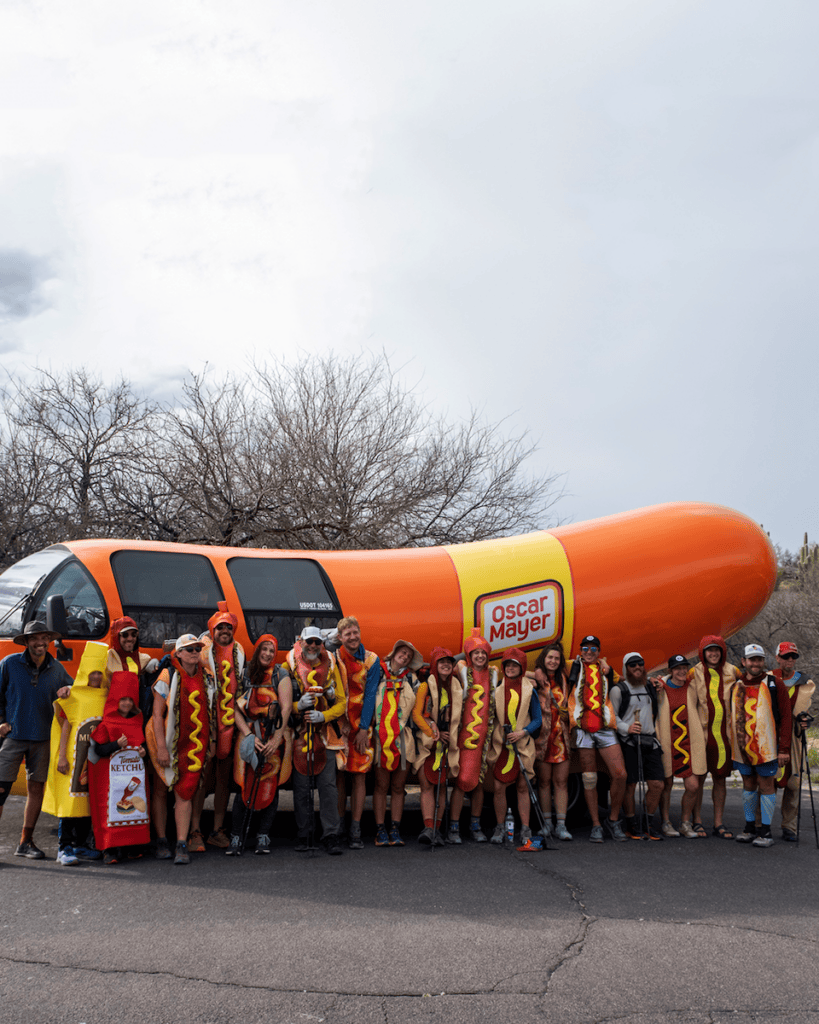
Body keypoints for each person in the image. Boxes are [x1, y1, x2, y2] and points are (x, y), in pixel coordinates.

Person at [0, 620, 73, 859]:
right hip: (13, 736)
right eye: (34, 638)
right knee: (1, 790)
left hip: (43, 739)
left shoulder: (57, 669)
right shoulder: (9, 663)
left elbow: (75, 692)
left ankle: (25, 842)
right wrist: (1, 721)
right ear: (26, 642)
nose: (40, 643)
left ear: (49, 641)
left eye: (44, 638)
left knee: (36, 789)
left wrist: (69, 691)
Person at [146, 634, 217, 865]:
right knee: (160, 789)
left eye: (197, 648)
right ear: (178, 653)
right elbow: (157, 715)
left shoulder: (207, 676)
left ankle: (181, 843)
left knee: (185, 792)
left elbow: (211, 713)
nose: (194, 652)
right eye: (189, 649)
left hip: (194, 744)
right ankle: (161, 840)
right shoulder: (167, 675)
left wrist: (212, 741)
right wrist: (162, 748)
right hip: (165, 740)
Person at [43, 641, 110, 864]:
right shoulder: (73, 696)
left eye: (99, 673)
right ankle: (64, 848)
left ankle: (81, 845)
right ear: (84, 672)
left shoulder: (106, 696)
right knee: (70, 802)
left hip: (95, 761)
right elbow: (65, 726)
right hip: (73, 760)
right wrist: (62, 756)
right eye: (92, 673)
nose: (96, 677)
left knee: (87, 803)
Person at [226, 634, 292, 856]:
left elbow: (286, 708)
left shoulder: (280, 674)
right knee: (244, 785)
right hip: (250, 736)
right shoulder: (245, 674)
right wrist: (248, 735)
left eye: (272, 650)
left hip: (273, 737)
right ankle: (236, 835)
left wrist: (276, 738)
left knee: (270, 785)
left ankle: (263, 834)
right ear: (257, 650)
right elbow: (235, 708)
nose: (268, 654)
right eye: (264, 649)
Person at [188, 603, 246, 852]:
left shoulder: (239, 652)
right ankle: (194, 831)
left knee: (224, 779)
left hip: (230, 724)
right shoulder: (202, 652)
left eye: (228, 627)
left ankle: (217, 830)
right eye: (220, 627)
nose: (224, 631)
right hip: (205, 725)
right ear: (213, 631)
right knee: (201, 779)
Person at [285, 627, 347, 854]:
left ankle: (331, 834)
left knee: (328, 788)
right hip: (300, 734)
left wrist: (324, 715)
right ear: (300, 641)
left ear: (322, 644)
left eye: (317, 642)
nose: (312, 646)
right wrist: (297, 706)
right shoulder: (288, 666)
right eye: (309, 641)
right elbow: (282, 703)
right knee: (301, 788)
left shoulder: (331, 666)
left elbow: (342, 702)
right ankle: (305, 833)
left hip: (325, 734)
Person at [567, 634, 628, 842]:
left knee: (620, 774)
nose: (589, 652)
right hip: (582, 729)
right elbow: (548, 665)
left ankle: (613, 819)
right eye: (585, 649)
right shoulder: (572, 665)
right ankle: (596, 824)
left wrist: (655, 682)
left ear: (599, 652)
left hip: (604, 728)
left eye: (593, 649)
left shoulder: (606, 669)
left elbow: (626, 681)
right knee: (589, 778)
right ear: (580, 651)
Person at [731, 644, 792, 847]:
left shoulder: (775, 684)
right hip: (743, 747)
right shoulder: (737, 684)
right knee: (748, 784)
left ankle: (766, 832)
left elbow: (786, 717)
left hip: (767, 747)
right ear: (744, 661)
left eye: (759, 659)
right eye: (752, 659)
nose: (755, 663)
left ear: (763, 661)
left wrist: (784, 749)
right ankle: (750, 828)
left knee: (766, 785)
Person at [88, 672, 151, 864]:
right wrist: (116, 745)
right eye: (123, 699)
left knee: (134, 810)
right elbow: (99, 750)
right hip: (110, 780)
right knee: (110, 813)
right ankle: (110, 849)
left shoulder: (138, 722)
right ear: (115, 700)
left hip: (132, 777)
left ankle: (132, 846)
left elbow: (144, 745)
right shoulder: (106, 724)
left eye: (130, 700)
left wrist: (143, 751)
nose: (127, 703)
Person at [488, 647, 542, 846]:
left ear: (522, 668)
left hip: (523, 745)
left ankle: (526, 829)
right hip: (502, 746)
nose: (510, 668)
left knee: (522, 786)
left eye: (515, 665)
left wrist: (523, 732)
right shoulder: (497, 690)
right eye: (507, 665)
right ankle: (500, 827)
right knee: (498, 786)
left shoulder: (530, 690)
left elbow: (537, 719)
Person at [334, 616, 380, 849]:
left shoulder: (372, 660)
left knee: (359, 776)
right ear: (340, 637)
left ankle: (355, 828)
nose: (352, 637)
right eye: (347, 634)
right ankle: (338, 826)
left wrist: (363, 729)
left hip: (361, 726)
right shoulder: (334, 657)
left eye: (355, 632)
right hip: (340, 726)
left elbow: (371, 695)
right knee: (340, 775)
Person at [371, 640, 421, 846]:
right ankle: (380, 830)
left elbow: (420, 709)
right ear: (393, 653)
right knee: (381, 785)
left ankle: (395, 829)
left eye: (409, 655)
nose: (405, 656)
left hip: (403, 738)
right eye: (403, 652)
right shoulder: (377, 672)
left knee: (399, 786)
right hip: (380, 737)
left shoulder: (412, 679)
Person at [449, 629, 497, 844]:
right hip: (464, 736)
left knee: (479, 782)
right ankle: (453, 827)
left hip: (485, 738)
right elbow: (447, 664)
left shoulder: (493, 673)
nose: (479, 656)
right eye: (475, 653)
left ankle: (475, 825)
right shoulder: (461, 669)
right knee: (462, 780)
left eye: (483, 653)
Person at [690, 635, 740, 839]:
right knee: (699, 779)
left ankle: (718, 823)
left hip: (724, 737)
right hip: (701, 735)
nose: (713, 653)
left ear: (722, 652)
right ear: (703, 652)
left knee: (720, 779)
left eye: (717, 650)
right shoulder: (693, 672)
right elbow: (675, 685)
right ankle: (697, 821)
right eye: (709, 650)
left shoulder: (733, 671)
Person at [612, 652, 664, 841]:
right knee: (630, 785)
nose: (637, 667)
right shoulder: (618, 690)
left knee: (657, 784)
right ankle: (632, 823)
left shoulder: (650, 686)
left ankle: (648, 821)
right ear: (626, 668)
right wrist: (627, 728)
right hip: (629, 741)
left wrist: (659, 682)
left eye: (640, 664)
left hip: (650, 740)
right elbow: (612, 716)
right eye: (632, 665)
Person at [412, 647, 462, 845]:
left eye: (449, 662)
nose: (446, 665)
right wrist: (434, 732)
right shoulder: (425, 686)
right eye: (442, 661)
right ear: (434, 664)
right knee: (426, 784)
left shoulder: (456, 686)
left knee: (441, 786)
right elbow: (417, 715)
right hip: (428, 744)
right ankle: (429, 828)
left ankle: (437, 830)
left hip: (448, 744)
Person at [655, 654, 707, 839]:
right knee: (666, 784)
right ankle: (666, 822)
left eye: (684, 668)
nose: (682, 671)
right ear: (670, 671)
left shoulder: (693, 686)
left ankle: (685, 823)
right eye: (677, 668)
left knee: (693, 786)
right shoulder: (660, 688)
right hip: (668, 741)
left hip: (689, 742)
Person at [772, 641, 815, 841]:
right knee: (767, 781)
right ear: (778, 658)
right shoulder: (768, 679)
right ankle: (759, 824)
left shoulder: (805, 682)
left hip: (795, 739)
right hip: (771, 736)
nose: (790, 660)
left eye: (793, 657)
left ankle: (789, 826)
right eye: (786, 656)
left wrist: (806, 720)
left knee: (794, 782)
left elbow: (805, 709)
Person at [531, 643, 572, 841]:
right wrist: (536, 673)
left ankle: (561, 825)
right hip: (543, 738)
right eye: (550, 658)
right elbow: (517, 673)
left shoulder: (565, 677)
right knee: (544, 782)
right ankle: (547, 824)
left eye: (556, 658)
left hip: (562, 737)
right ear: (543, 659)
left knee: (561, 782)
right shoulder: (537, 679)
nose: (553, 661)